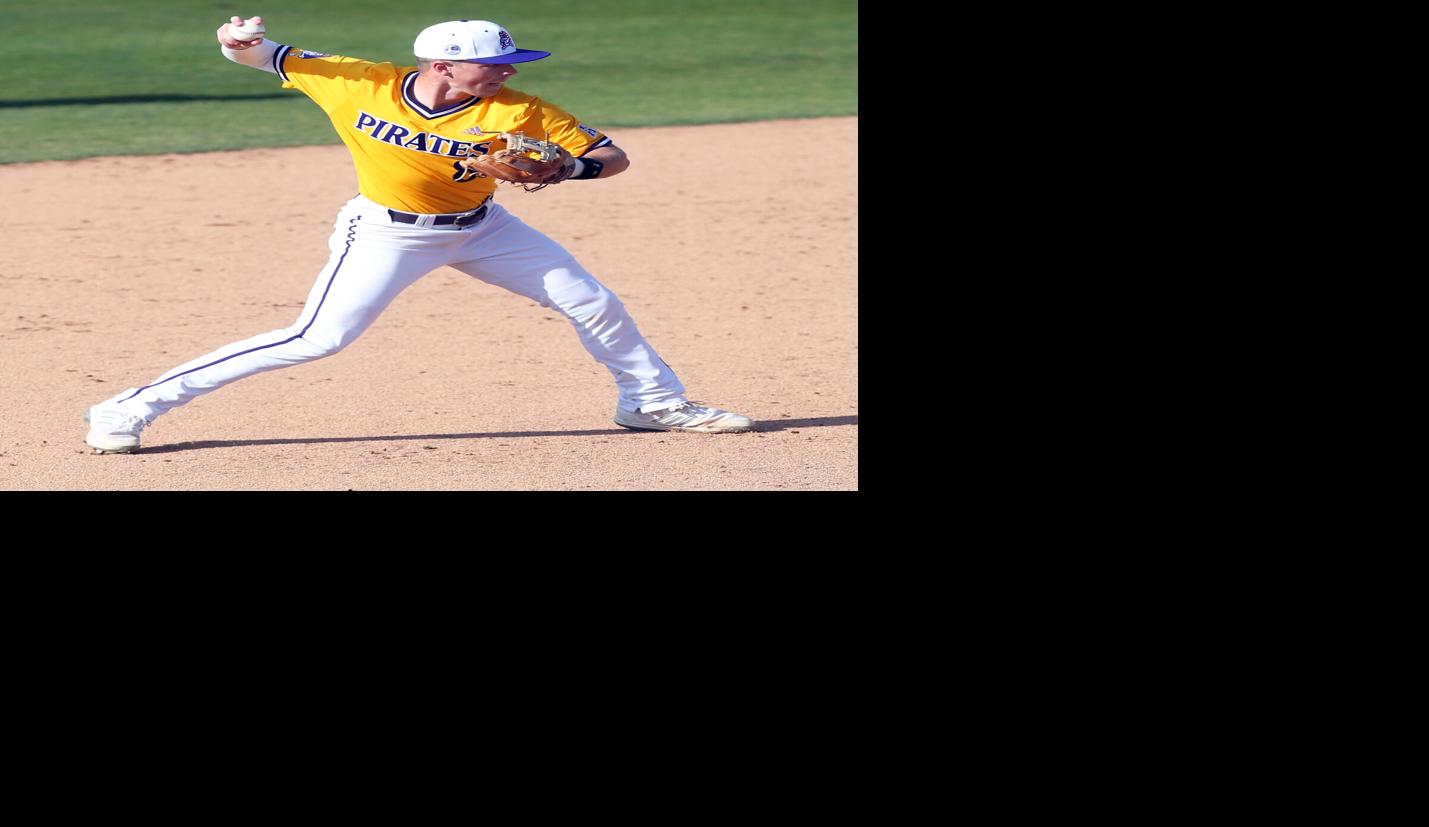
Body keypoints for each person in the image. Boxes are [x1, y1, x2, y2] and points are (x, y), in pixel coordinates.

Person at [83, 15, 754, 454]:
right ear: (442, 66)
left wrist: (567, 169)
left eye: (511, 62)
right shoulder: (360, 83)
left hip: (484, 227)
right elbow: (266, 56)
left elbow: (612, 156)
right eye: (497, 63)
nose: (511, 71)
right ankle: (127, 408)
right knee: (317, 337)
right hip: (387, 232)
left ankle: (651, 402)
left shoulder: (522, 110)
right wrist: (237, 43)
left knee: (592, 300)